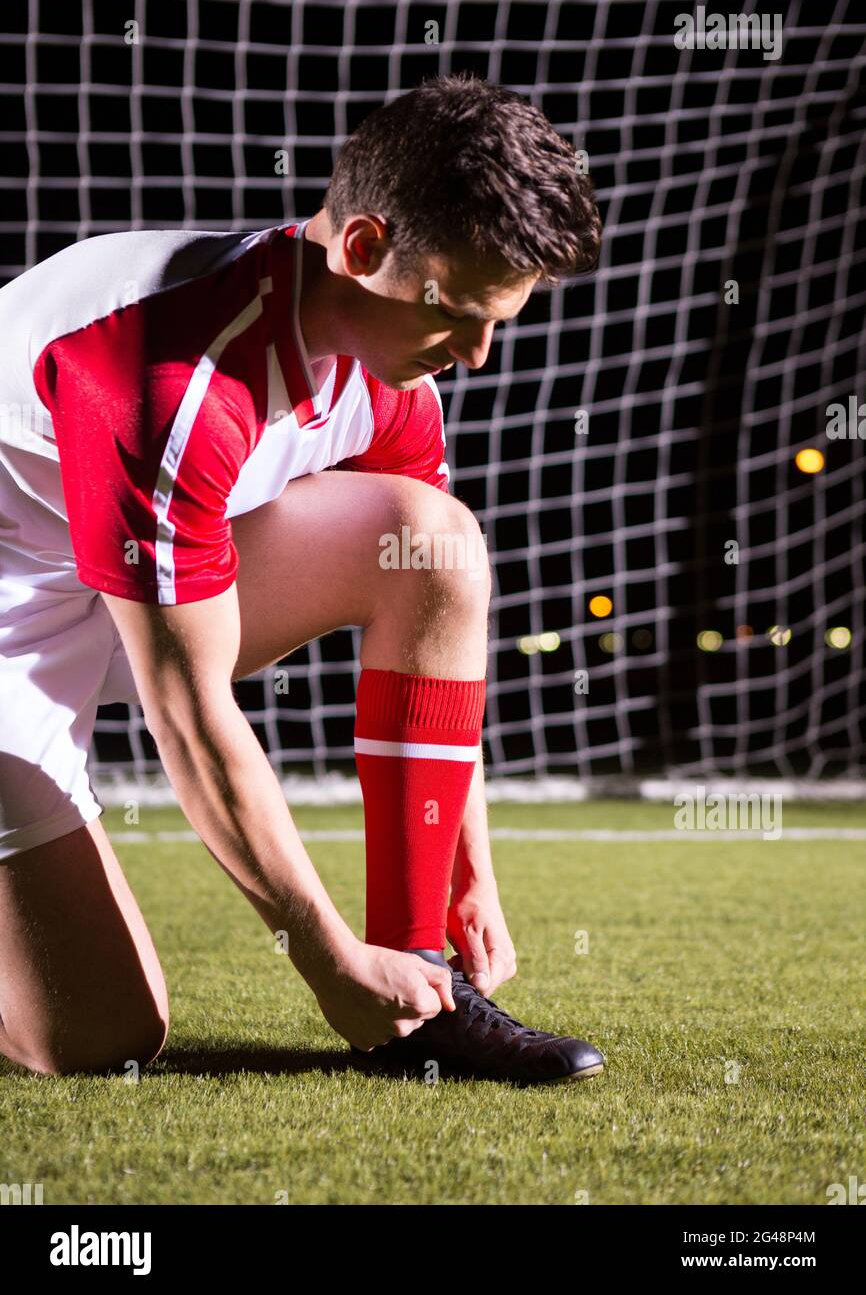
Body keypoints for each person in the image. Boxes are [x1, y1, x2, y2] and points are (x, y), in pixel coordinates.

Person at [0, 74, 604, 1083]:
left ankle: (420, 989)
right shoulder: (169, 385)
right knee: (96, 1037)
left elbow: (432, 612)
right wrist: (324, 961)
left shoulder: (387, 366)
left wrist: (469, 875)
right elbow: (188, 715)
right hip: (18, 614)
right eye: (456, 313)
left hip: (116, 580)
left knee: (434, 543)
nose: (479, 355)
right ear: (361, 250)